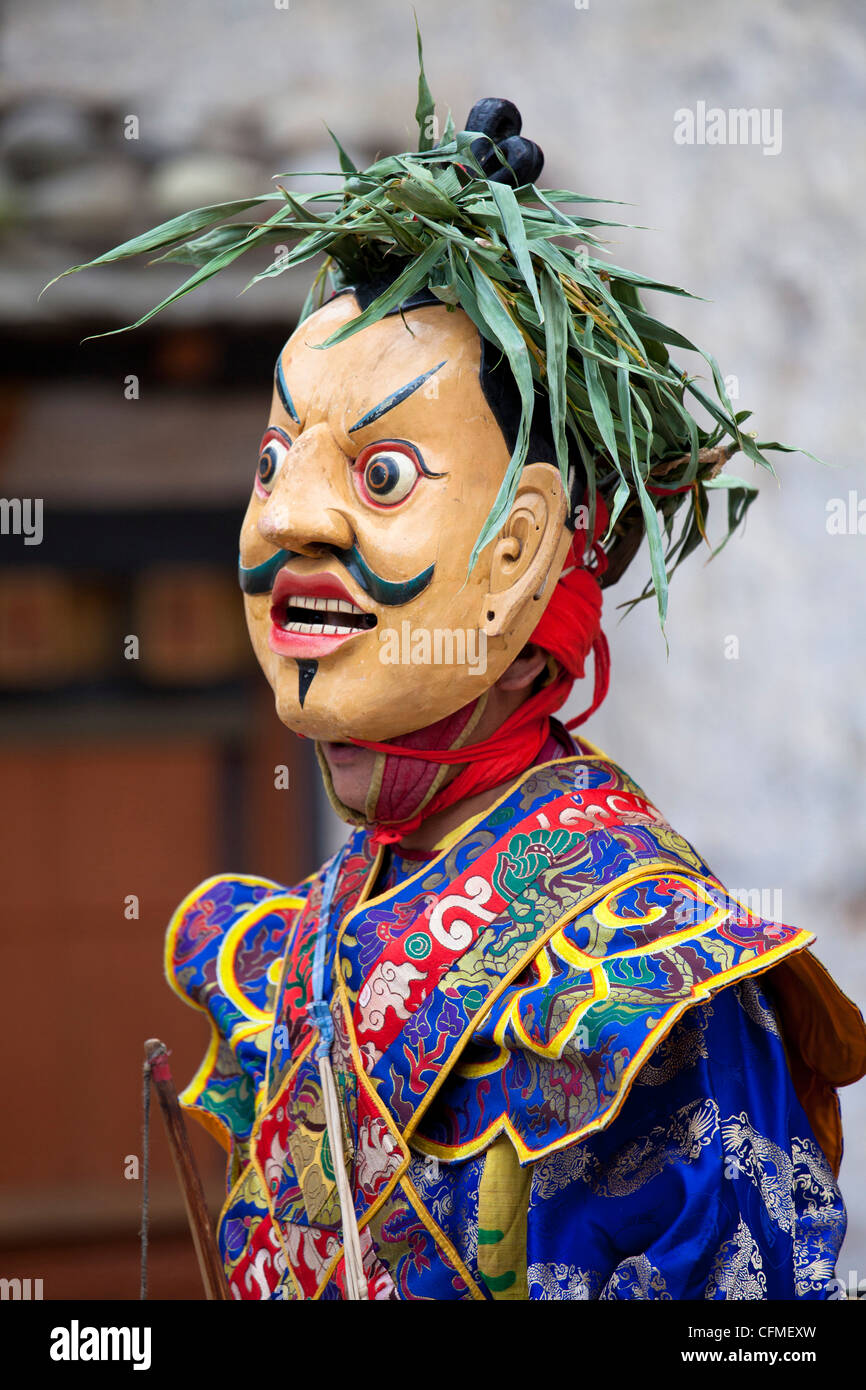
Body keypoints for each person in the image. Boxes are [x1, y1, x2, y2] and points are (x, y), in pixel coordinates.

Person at [60, 59, 866, 1300]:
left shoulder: (640, 985)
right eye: (275, 461)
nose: (291, 524)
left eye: (381, 477)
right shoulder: (310, 931)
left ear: (519, 549)